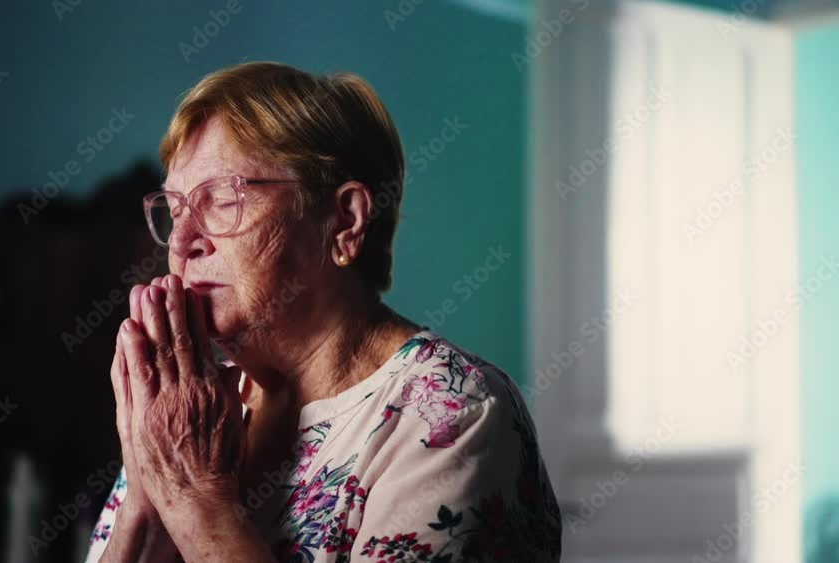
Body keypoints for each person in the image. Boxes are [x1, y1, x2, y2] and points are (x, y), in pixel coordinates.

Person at [85, 61, 561, 563]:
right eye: (176, 209)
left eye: (222, 199)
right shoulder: (188, 410)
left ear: (344, 220)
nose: (181, 242)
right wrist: (145, 494)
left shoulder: (455, 414)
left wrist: (192, 496)